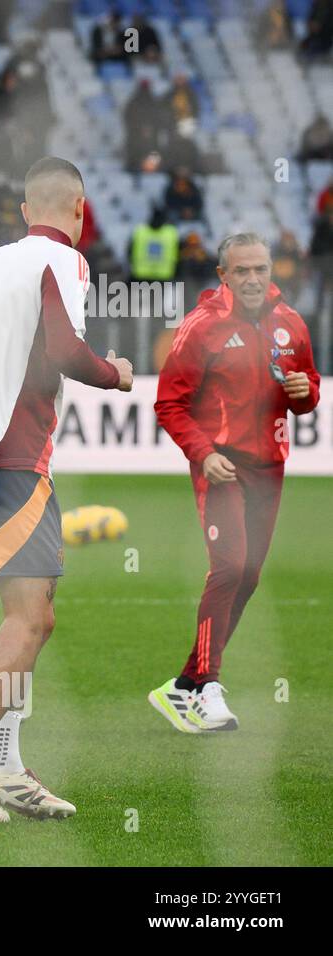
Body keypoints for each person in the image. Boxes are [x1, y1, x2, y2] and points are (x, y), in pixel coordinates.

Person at [0, 157, 134, 822]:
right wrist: (117, 374)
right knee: (30, 618)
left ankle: (7, 770)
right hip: (9, 463)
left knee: (33, 615)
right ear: (79, 208)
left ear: (21, 210)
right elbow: (66, 350)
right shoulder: (65, 262)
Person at [149, 233, 320, 732]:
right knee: (229, 569)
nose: (252, 279)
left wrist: (304, 392)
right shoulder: (201, 327)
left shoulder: (291, 323)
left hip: (270, 467)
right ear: (223, 275)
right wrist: (203, 454)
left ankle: (183, 686)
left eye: (260, 269)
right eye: (241, 271)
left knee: (248, 576)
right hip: (222, 467)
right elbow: (169, 403)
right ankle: (209, 688)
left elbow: (306, 395)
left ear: (272, 272)